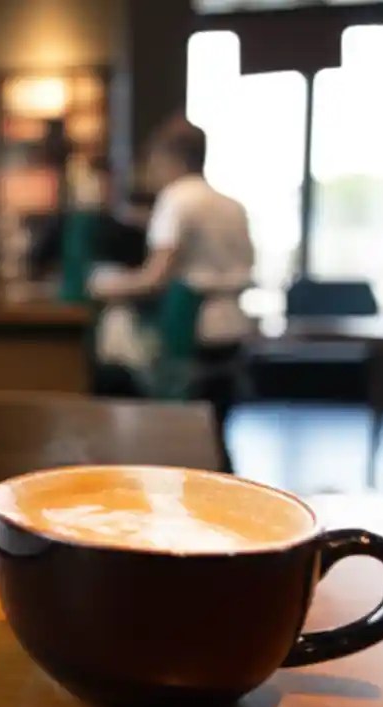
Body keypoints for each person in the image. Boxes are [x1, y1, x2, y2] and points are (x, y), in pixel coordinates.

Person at [93, 118, 255, 471]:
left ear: (170, 158)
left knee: (186, 440)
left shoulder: (177, 199)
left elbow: (155, 277)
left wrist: (105, 286)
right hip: (233, 327)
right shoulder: (232, 206)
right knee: (216, 433)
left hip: (192, 327)